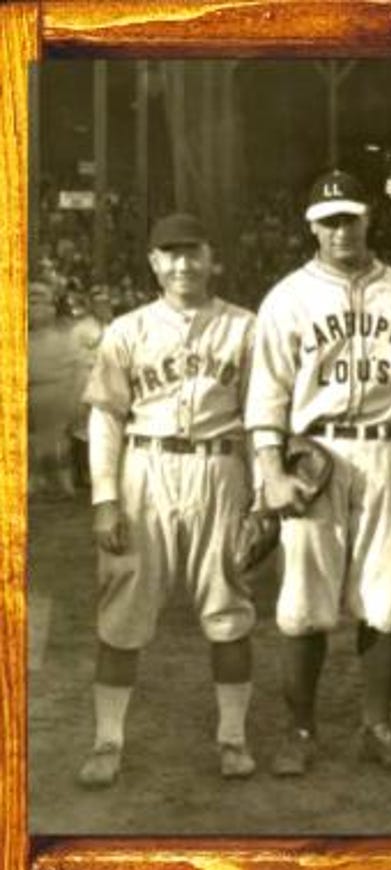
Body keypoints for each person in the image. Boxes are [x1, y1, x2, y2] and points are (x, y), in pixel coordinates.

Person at [246, 169, 391, 776]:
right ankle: (299, 731)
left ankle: (377, 727)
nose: (339, 230)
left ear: (368, 218)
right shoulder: (287, 297)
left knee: (387, 597)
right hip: (314, 456)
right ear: (311, 227)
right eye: (327, 221)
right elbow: (267, 394)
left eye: (349, 217)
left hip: (390, 449)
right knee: (304, 600)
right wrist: (270, 470)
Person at [77, 212, 258, 787]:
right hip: (145, 468)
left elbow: (260, 418)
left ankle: (232, 737)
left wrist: (260, 501)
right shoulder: (126, 330)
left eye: (193, 251)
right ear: (154, 262)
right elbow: (105, 417)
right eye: (170, 253)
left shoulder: (245, 328)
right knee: (123, 607)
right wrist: (105, 497)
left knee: (229, 606)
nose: (183, 264)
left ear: (212, 258)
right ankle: (108, 740)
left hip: (220, 466)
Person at [28, 280, 81, 500]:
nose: (35, 310)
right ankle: (33, 480)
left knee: (60, 440)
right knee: (32, 441)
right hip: (31, 393)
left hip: (60, 392)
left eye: (41, 304)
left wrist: (75, 398)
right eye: (31, 304)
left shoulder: (66, 337)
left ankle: (64, 481)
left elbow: (77, 368)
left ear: (51, 309)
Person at [69, 285, 115, 488]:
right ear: (92, 306)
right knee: (82, 428)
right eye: (99, 304)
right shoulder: (81, 328)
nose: (104, 307)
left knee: (102, 426)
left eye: (106, 303)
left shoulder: (112, 326)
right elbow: (73, 356)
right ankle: (81, 473)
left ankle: (100, 473)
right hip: (84, 378)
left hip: (107, 379)